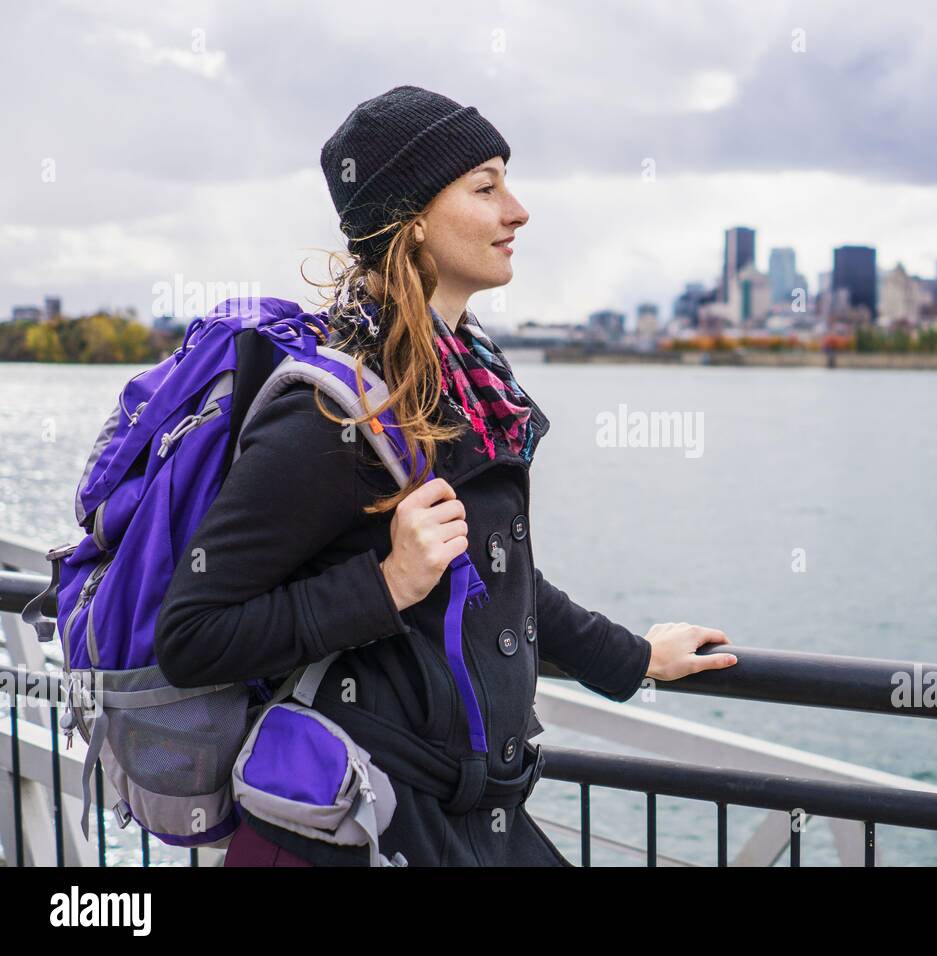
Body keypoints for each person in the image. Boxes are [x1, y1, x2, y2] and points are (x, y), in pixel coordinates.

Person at [154, 85, 738, 866]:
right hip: (358, 825)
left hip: (475, 819)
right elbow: (191, 636)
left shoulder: (463, 381)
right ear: (416, 219)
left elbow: (496, 575)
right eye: (487, 187)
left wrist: (633, 660)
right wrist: (388, 584)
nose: (519, 211)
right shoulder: (334, 411)